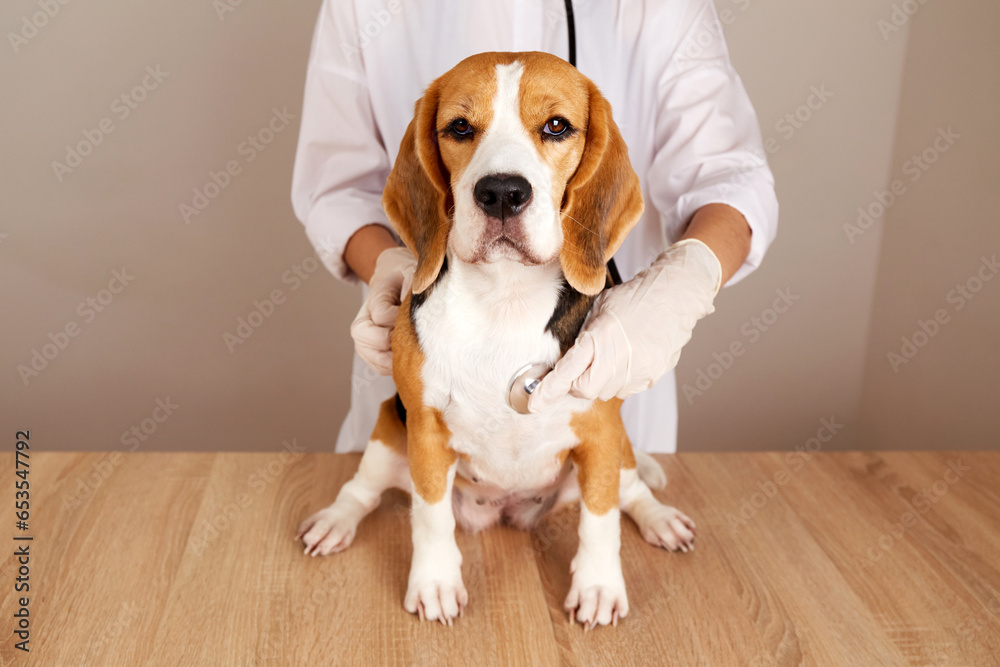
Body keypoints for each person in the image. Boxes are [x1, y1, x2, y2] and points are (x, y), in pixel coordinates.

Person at [291, 0, 778, 453]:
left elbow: (729, 178)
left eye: (555, 127)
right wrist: (387, 264)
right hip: (429, 431)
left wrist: (681, 286)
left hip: (605, 399)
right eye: (462, 128)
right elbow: (338, 187)